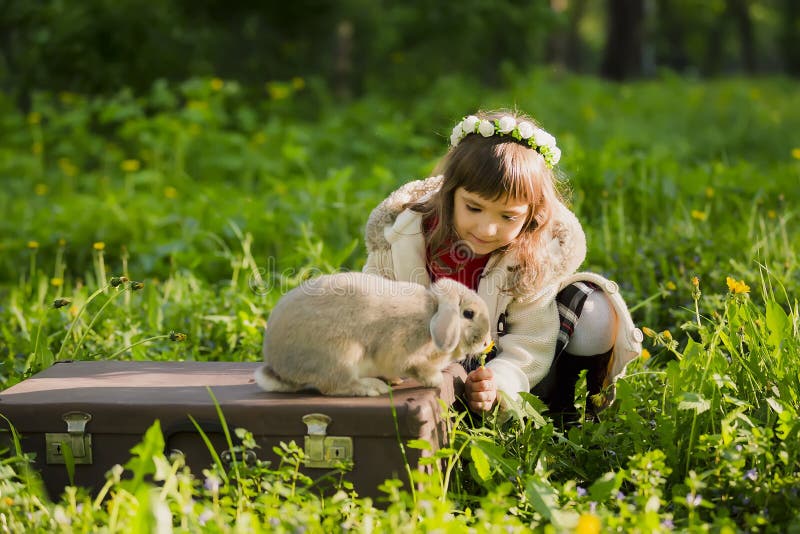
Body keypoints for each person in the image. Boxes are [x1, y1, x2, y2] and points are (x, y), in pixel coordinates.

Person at [363, 110, 643, 420]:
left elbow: (531, 340)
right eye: (473, 207)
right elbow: (372, 307)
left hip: (496, 357)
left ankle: (562, 407)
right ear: (449, 192)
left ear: (531, 214)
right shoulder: (406, 236)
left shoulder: (533, 254)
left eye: (507, 216)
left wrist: (499, 384)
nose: (487, 229)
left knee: (595, 313)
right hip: (423, 360)